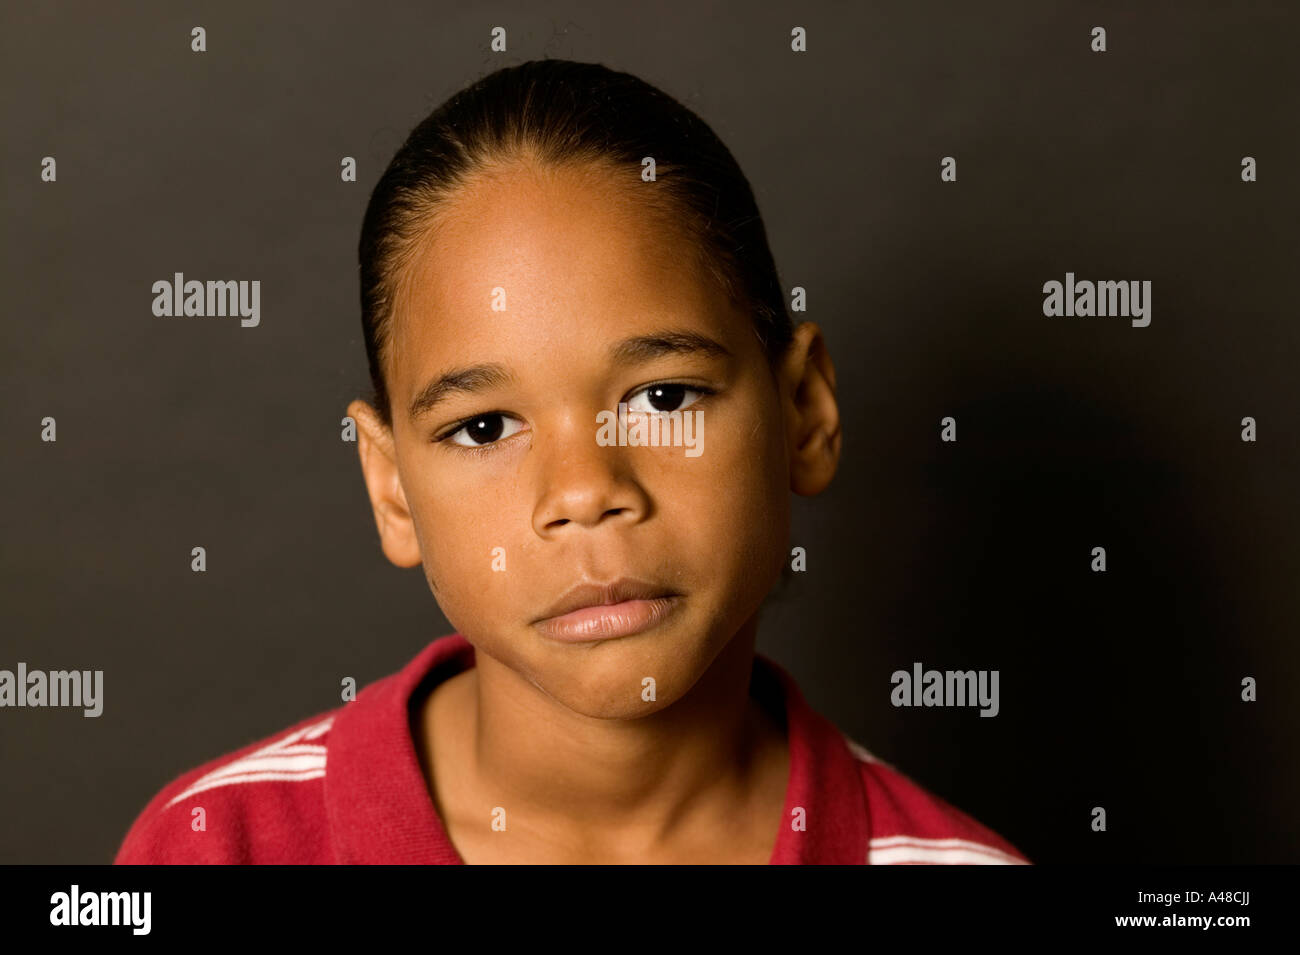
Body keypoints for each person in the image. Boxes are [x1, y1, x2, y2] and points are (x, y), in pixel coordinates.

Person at [115, 59, 1028, 865]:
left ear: (804, 413)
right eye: (483, 428)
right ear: (391, 485)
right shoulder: (216, 846)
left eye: (664, 398)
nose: (586, 492)